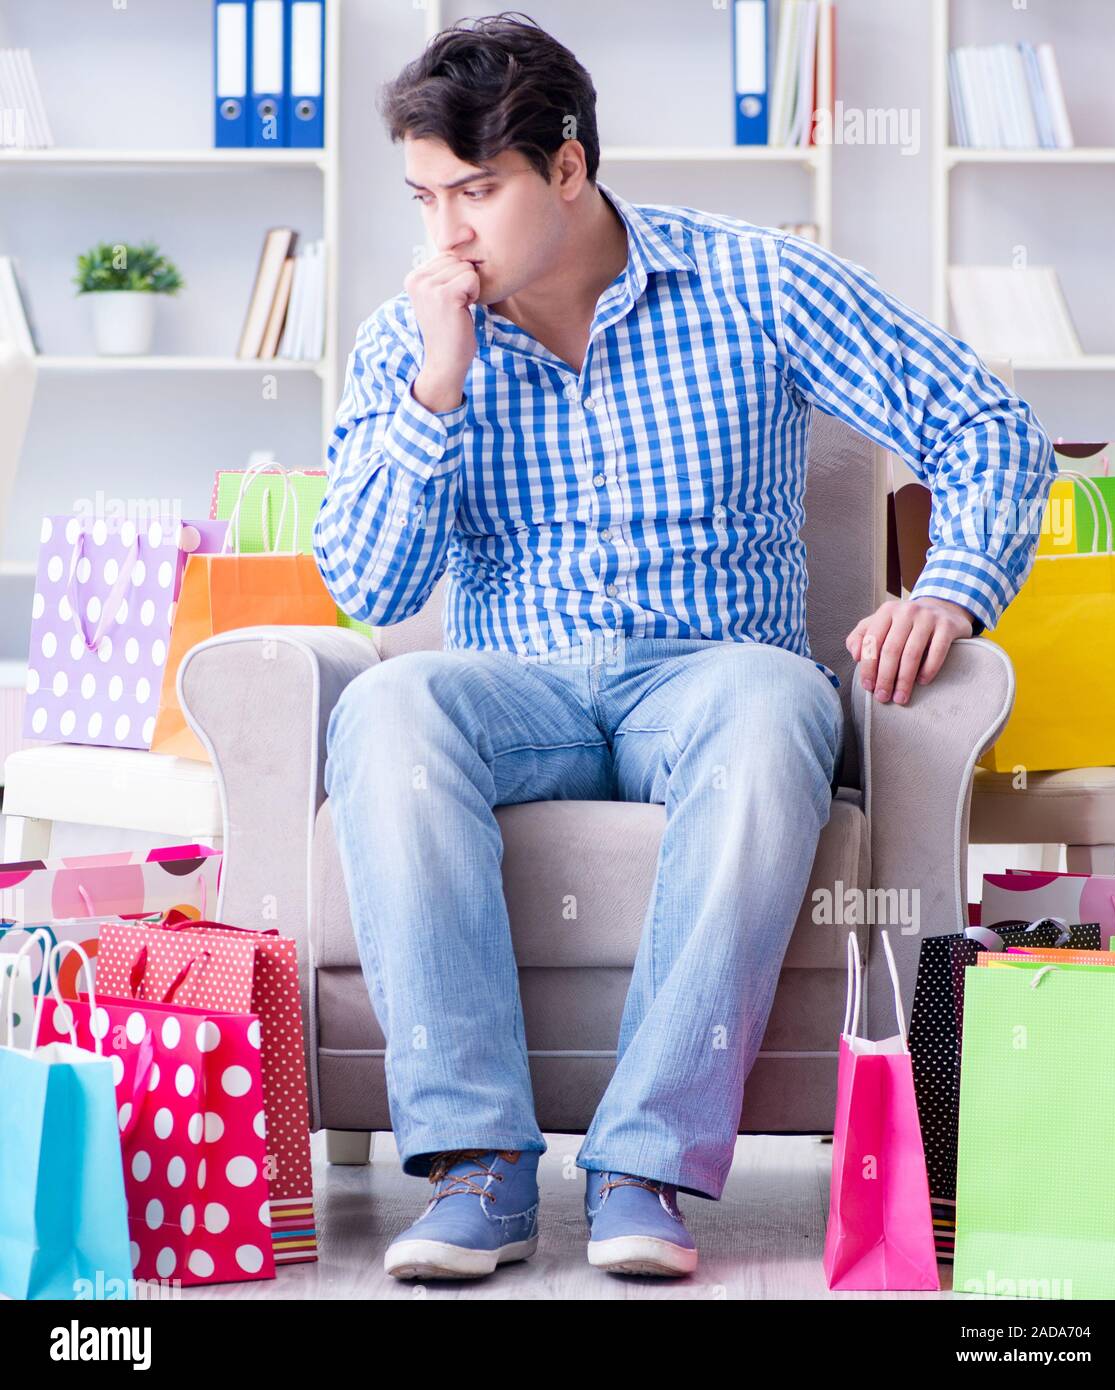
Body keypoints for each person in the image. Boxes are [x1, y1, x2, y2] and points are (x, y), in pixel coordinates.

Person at [313, 12, 1057, 1282]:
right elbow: (368, 583)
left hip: (711, 676)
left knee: (776, 703)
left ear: (567, 165)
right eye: (424, 197)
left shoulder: (757, 281)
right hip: (519, 688)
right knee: (387, 708)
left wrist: (952, 587)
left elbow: (986, 422)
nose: (444, 234)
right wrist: (435, 394)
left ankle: (644, 1165)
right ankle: (477, 1169)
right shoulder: (411, 341)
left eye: (476, 193)